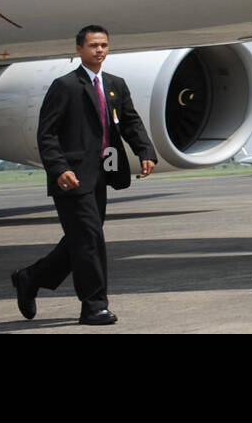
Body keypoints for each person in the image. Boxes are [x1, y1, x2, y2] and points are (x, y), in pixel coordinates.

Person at [11, 25, 156, 324]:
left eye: (103, 45)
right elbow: (46, 133)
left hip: (103, 174)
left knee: (82, 238)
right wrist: (59, 167)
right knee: (89, 238)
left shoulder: (116, 84)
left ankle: (30, 277)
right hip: (71, 178)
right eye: (93, 45)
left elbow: (130, 122)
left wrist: (145, 152)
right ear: (79, 50)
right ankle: (93, 306)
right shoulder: (65, 86)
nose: (99, 50)